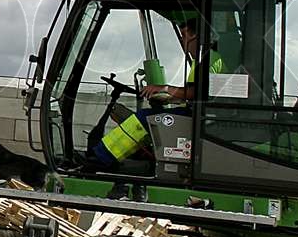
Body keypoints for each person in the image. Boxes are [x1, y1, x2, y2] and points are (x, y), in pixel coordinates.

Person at [88, 18, 222, 169]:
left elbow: (194, 93)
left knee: (144, 118)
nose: (182, 40)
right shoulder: (207, 59)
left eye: (184, 35)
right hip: (200, 113)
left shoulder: (207, 59)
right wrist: (168, 97)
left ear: (194, 36)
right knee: (153, 115)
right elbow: (198, 94)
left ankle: (101, 157)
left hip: (201, 117)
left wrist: (164, 88)